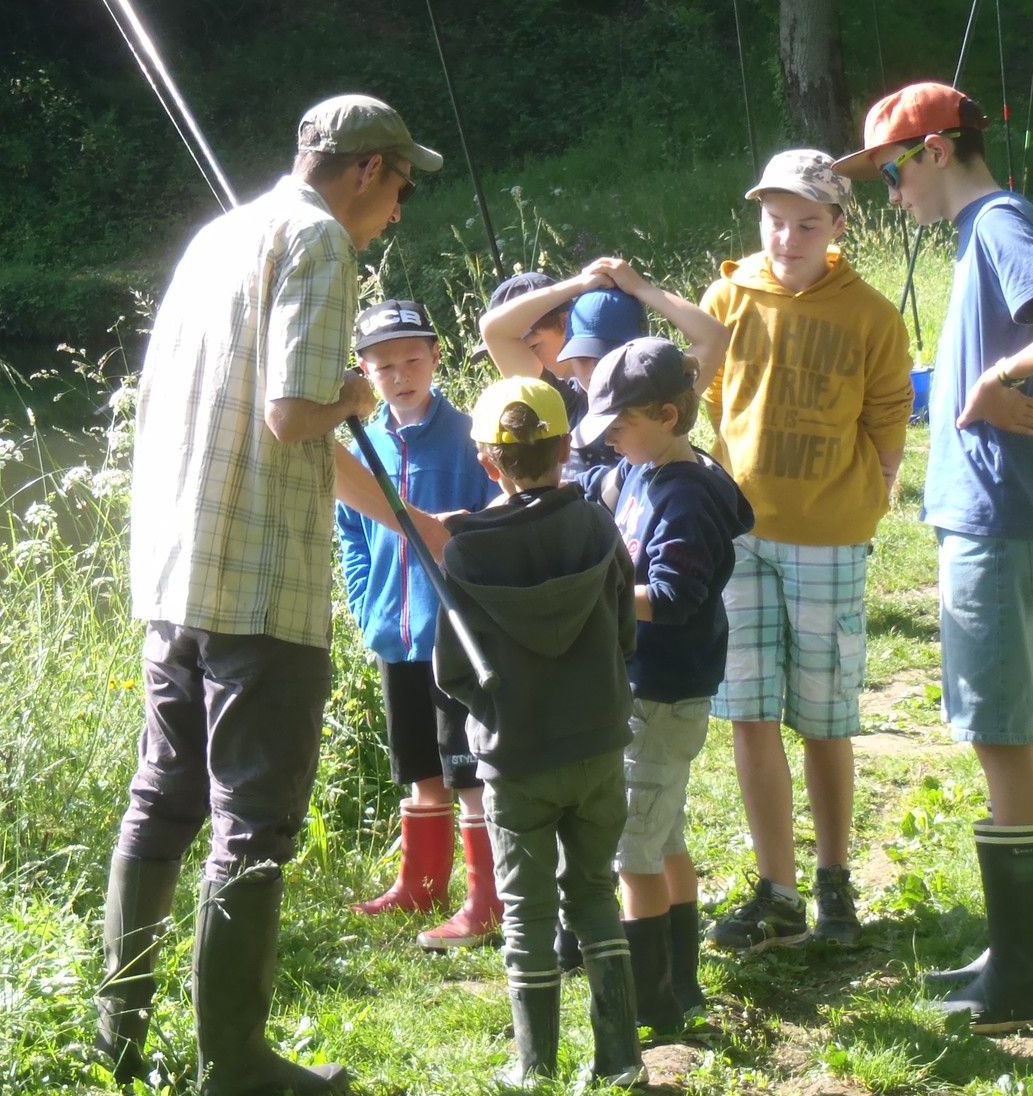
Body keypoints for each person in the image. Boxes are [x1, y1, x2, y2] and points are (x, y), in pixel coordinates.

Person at [95, 94, 449, 1094]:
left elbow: (261, 430)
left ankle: (115, 1040)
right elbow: (296, 414)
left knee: (160, 804)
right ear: (368, 171)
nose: (399, 211)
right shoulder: (321, 244)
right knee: (252, 822)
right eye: (402, 186)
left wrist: (413, 528)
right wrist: (354, 392)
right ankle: (236, 1063)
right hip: (259, 591)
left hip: (176, 574)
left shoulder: (218, 236)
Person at [833, 82, 1033, 1032]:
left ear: (932, 151)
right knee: (1011, 727)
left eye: (887, 170)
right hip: (997, 511)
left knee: (999, 731)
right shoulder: (981, 236)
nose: (886, 192)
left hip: (998, 518)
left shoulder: (996, 222)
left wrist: (1001, 374)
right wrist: (980, 372)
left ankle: (1026, 986)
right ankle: (1023, 956)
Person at [699, 150, 912, 953]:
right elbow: (711, 396)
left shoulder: (869, 314)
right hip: (738, 535)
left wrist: (877, 484)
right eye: (774, 220)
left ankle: (833, 882)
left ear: (838, 227)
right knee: (747, 714)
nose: (786, 237)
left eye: (807, 224)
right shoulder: (725, 296)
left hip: (828, 536)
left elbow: (889, 409)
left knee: (824, 719)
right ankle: (775, 887)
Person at [434, 376, 645, 1087]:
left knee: (526, 911)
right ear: (563, 448)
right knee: (591, 893)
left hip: (516, 757)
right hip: (596, 746)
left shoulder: (462, 554)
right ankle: (621, 1061)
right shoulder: (595, 526)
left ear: (488, 463)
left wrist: (491, 716)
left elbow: (451, 673)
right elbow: (623, 634)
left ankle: (535, 1069)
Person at [572, 310, 753, 1033]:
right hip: (648, 690)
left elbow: (676, 597)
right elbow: (590, 486)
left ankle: (647, 1002)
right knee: (665, 835)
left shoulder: (684, 491)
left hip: (663, 691)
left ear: (669, 415)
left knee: (633, 851)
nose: (610, 439)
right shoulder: (641, 469)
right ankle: (681, 983)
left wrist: (600, 598)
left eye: (620, 425)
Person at [336, 298, 503, 949]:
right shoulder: (362, 442)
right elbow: (350, 535)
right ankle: (420, 885)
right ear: (363, 372)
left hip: (453, 633)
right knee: (417, 763)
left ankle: (486, 901)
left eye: (411, 359)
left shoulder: (467, 437)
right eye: (383, 365)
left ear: (436, 356)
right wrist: (363, 600)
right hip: (392, 633)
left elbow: (493, 517)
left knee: (465, 768)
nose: (400, 374)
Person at [479, 265, 649, 478]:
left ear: (565, 322)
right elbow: (494, 331)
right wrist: (579, 284)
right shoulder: (562, 400)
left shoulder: (650, 388)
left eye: (533, 346)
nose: (594, 368)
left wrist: (640, 288)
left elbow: (705, 338)